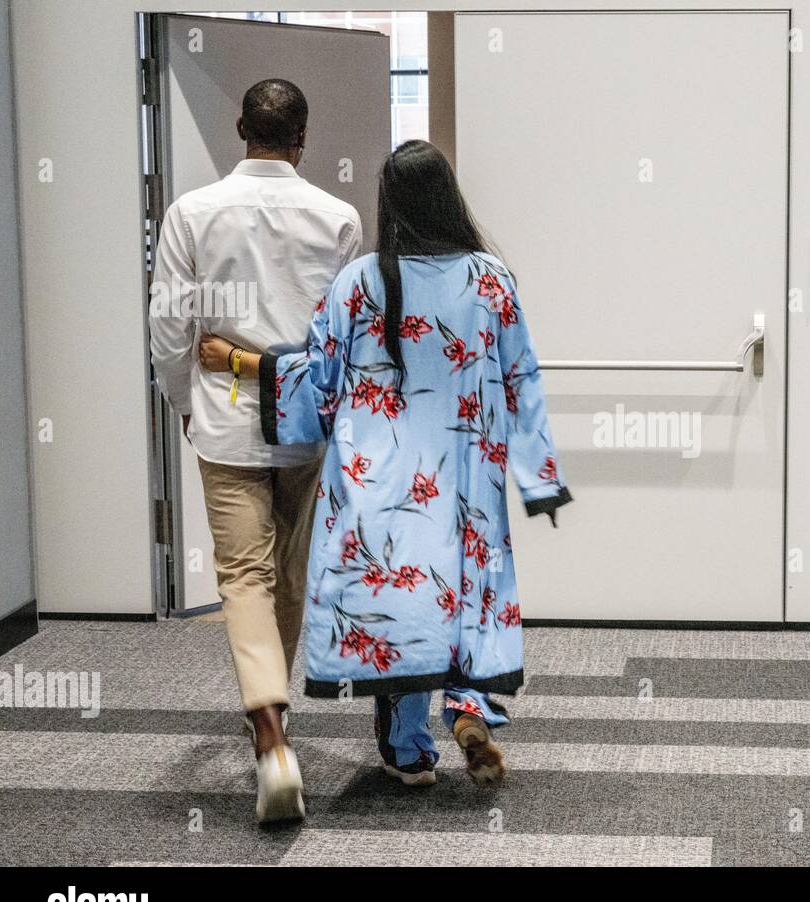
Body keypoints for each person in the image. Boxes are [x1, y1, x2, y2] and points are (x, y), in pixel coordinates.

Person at [196, 140, 571, 792]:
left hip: (378, 485)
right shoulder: (490, 281)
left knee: (400, 615)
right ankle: (469, 710)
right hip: (464, 485)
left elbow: (316, 382)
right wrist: (539, 478)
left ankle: (407, 753)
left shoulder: (359, 283)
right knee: (463, 603)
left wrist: (244, 364)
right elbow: (520, 382)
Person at [149, 79, 363, 823]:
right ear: (303, 136)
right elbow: (343, 339)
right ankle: (278, 718)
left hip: (228, 417)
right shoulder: (338, 219)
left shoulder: (191, 213)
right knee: (291, 576)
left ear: (240, 127)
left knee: (243, 576)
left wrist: (185, 401)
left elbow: (168, 327)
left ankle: (270, 737)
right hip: (304, 425)